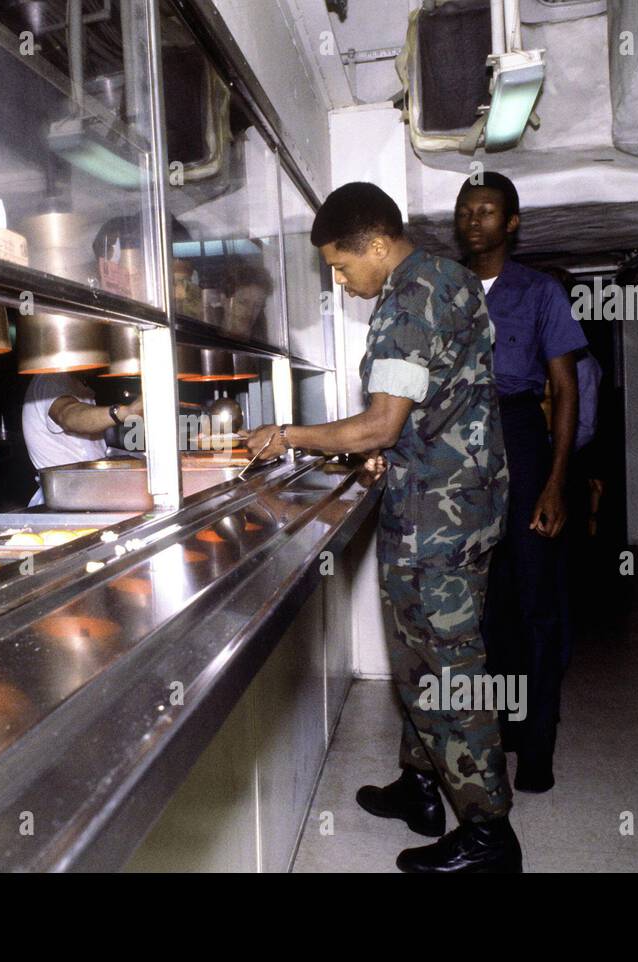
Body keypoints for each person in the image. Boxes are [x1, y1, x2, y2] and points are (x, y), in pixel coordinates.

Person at [244, 182, 519, 873]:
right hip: (463, 503)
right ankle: (423, 786)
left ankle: (490, 835)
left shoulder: (404, 302)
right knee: (419, 657)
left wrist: (288, 437)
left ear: (373, 243)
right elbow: (439, 404)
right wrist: (386, 453)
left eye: (340, 265)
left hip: (438, 522)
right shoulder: (449, 277)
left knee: (450, 668)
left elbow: (381, 422)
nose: (342, 281)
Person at [455, 172, 588, 793]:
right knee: (475, 607)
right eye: (466, 210)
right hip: (455, 449)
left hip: (521, 437)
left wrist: (556, 483)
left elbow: (564, 389)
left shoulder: (540, 291)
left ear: (511, 224)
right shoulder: (441, 289)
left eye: (487, 211)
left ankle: (537, 749)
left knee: (536, 602)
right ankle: (488, 741)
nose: (474, 219)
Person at [21, 373, 142, 506]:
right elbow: (68, 415)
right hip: (64, 500)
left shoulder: (74, 382)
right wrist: (128, 412)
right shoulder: (51, 379)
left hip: (83, 496)